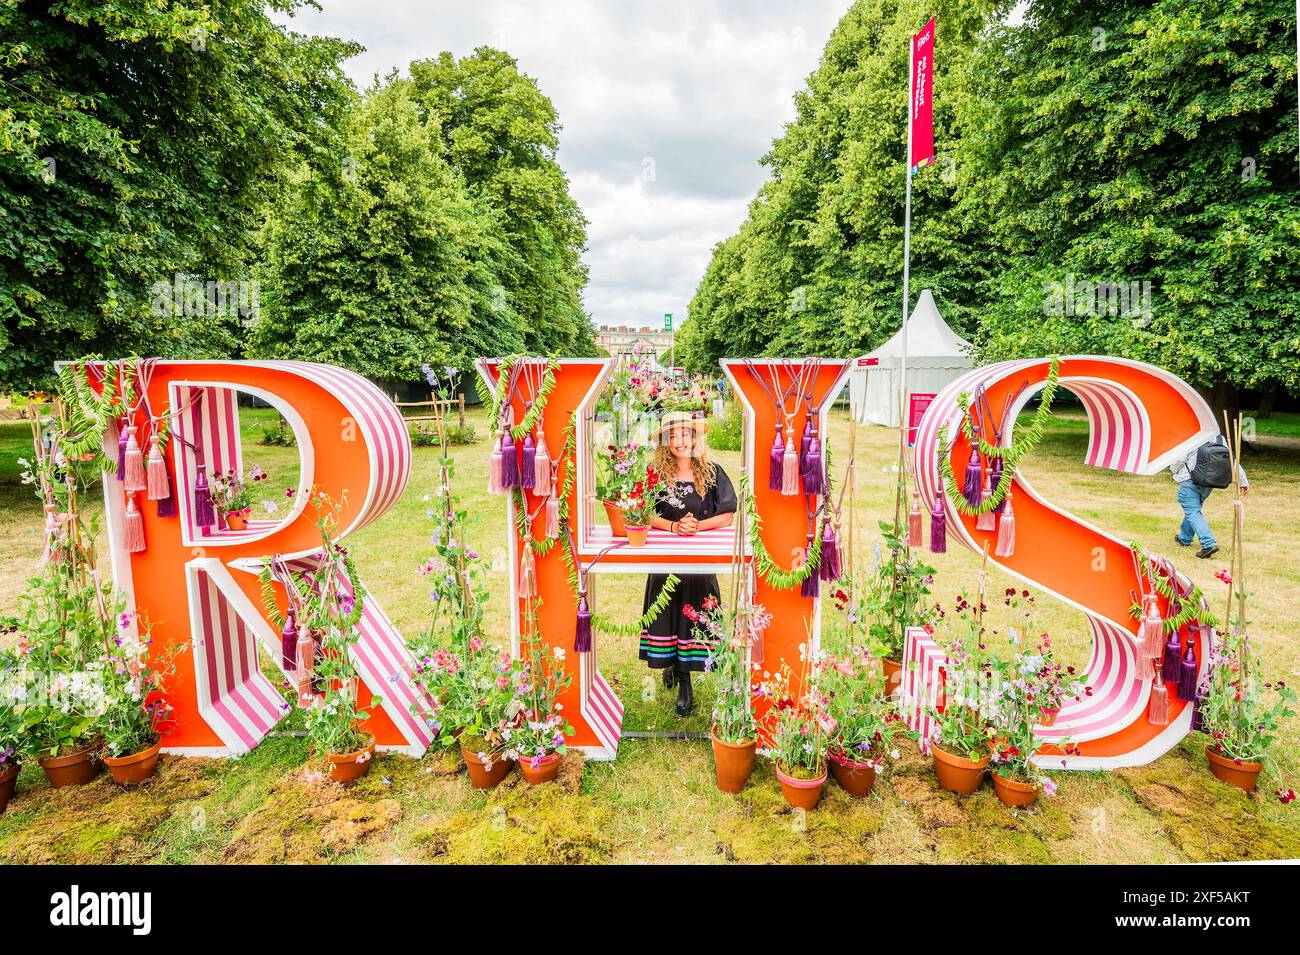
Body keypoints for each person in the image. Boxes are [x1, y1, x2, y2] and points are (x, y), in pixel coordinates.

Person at [638, 411, 737, 716]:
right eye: (673, 436)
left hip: (699, 563)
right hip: (666, 561)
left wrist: (696, 527)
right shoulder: (655, 473)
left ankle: (685, 681)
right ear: (665, 442)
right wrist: (673, 526)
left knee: (693, 614)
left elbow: (728, 514)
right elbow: (641, 514)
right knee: (667, 613)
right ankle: (670, 665)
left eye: (686, 435)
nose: (680, 441)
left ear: (695, 439)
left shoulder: (712, 472)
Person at [1171, 435, 1248, 559]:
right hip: (1208, 483)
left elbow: (1179, 460)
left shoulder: (1192, 436)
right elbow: (1232, 462)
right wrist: (1243, 481)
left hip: (1189, 480)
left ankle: (1208, 544)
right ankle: (1184, 538)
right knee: (1194, 511)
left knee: (1193, 511)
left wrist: (1173, 470)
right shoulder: (1219, 438)